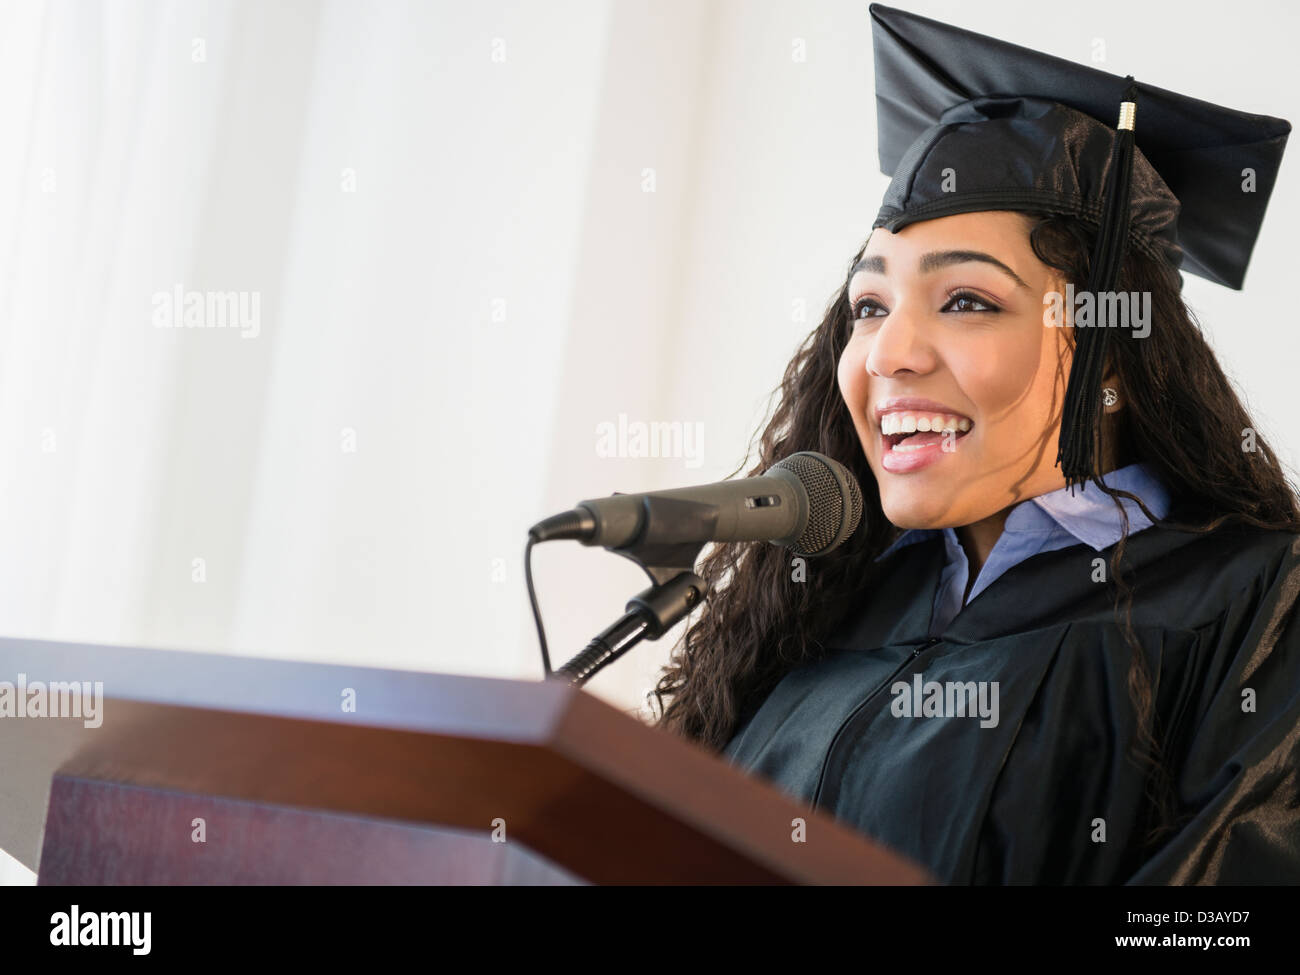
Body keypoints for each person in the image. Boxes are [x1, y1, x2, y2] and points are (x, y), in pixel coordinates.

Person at [650, 5, 1300, 884]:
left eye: (966, 301)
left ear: (1111, 346)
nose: (888, 353)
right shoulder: (830, 598)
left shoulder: (1253, 603)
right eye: (870, 307)